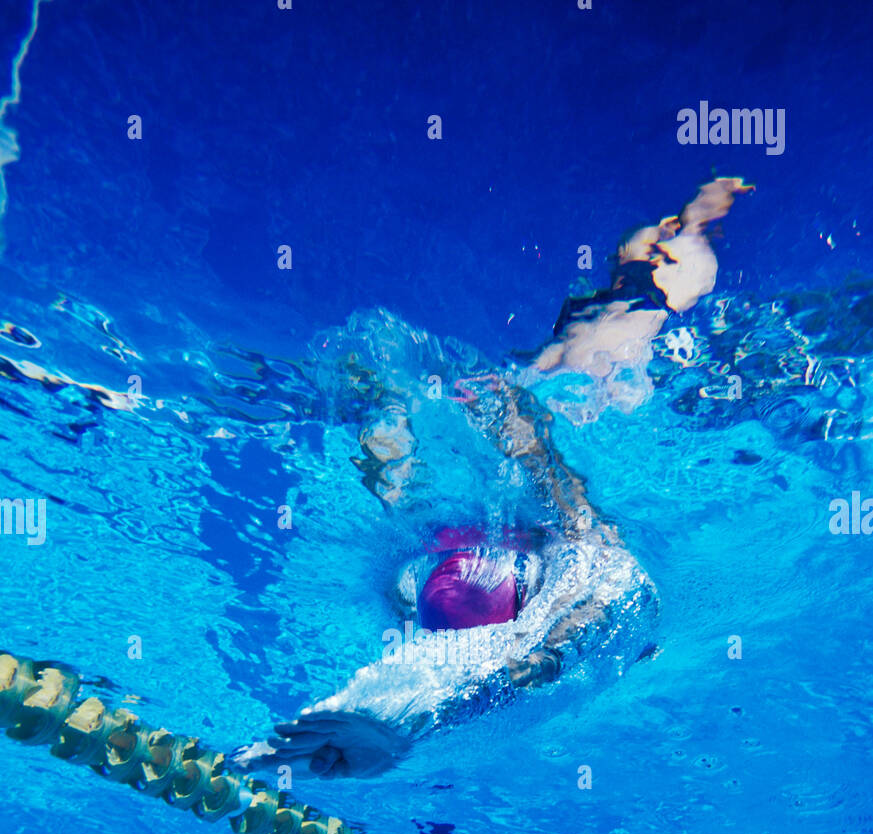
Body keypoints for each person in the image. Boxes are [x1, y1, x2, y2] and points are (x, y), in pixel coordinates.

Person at [231, 176, 752, 780]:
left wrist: (381, 724)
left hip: (525, 526)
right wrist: (387, 724)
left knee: (595, 338)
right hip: (554, 483)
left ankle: (678, 235)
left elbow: (513, 663)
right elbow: (516, 660)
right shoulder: (583, 579)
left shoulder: (562, 585)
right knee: (612, 333)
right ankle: (678, 238)